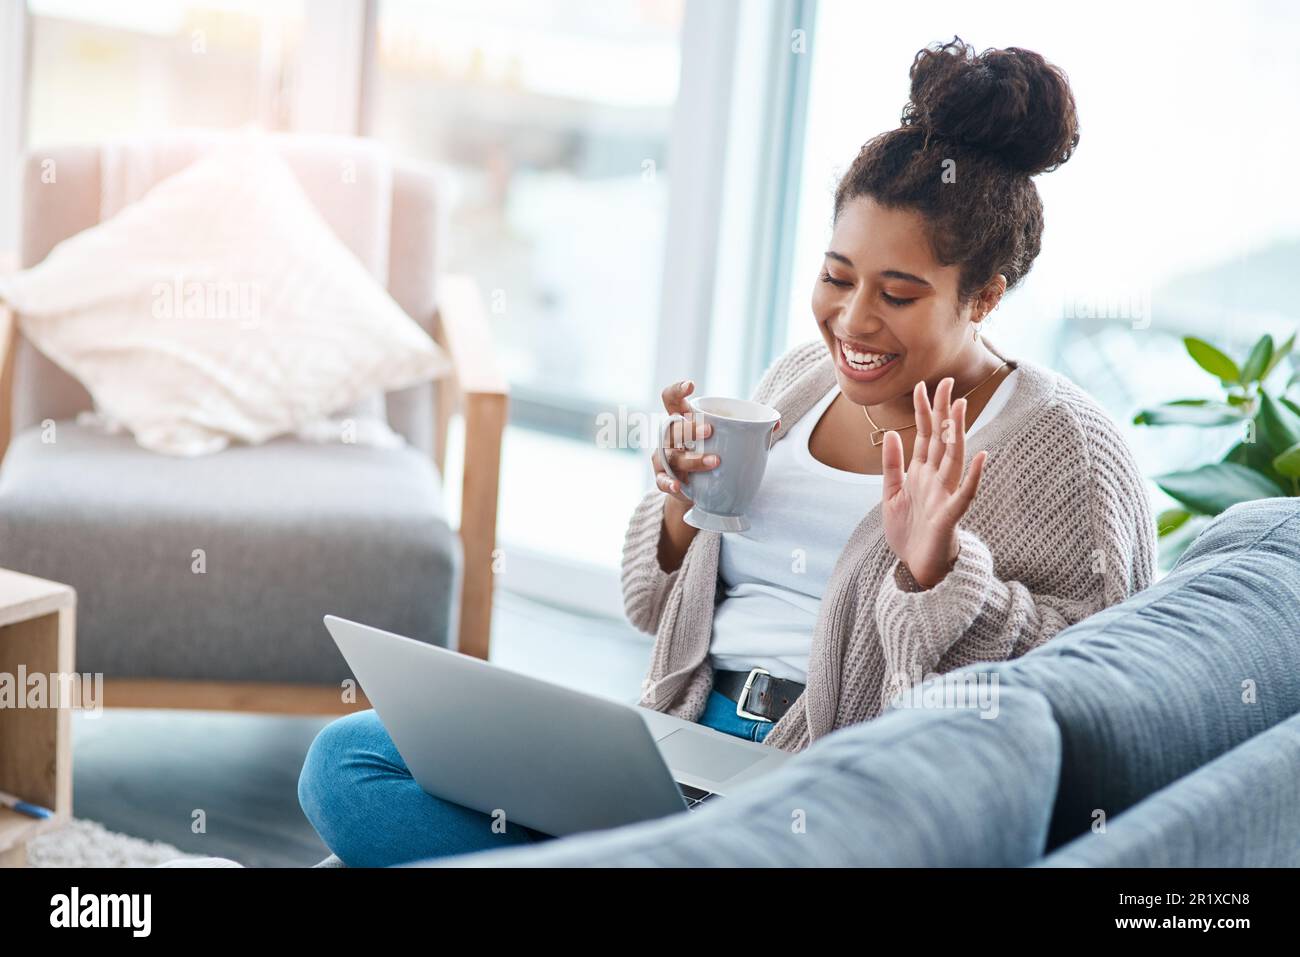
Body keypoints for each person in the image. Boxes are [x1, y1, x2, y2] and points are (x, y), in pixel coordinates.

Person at [297, 36, 1155, 867]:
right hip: (677, 742)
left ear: (985, 294)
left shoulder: (1065, 449)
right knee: (350, 764)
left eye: (898, 293)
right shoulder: (797, 382)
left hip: (828, 791)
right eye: (836, 275)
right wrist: (677, 506)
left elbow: (1098, 701)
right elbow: (649, 605)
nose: (853, 320)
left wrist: (939, 574)